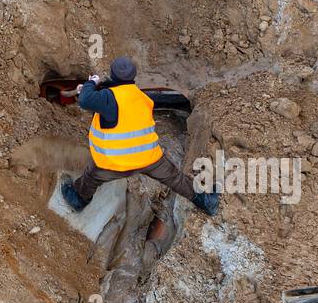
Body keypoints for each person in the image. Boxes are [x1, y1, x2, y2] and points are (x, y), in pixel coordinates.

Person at [61, 56, 218, 215]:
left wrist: (91, 83)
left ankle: (78, 200)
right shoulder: (143, 98)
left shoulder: (108, 97)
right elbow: (121, 102)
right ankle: (207, 202)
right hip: (149, 159)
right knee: (175, 178)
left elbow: (85, 100)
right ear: (133, 77)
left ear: (112, 74)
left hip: (115, 164)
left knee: (91, 177)